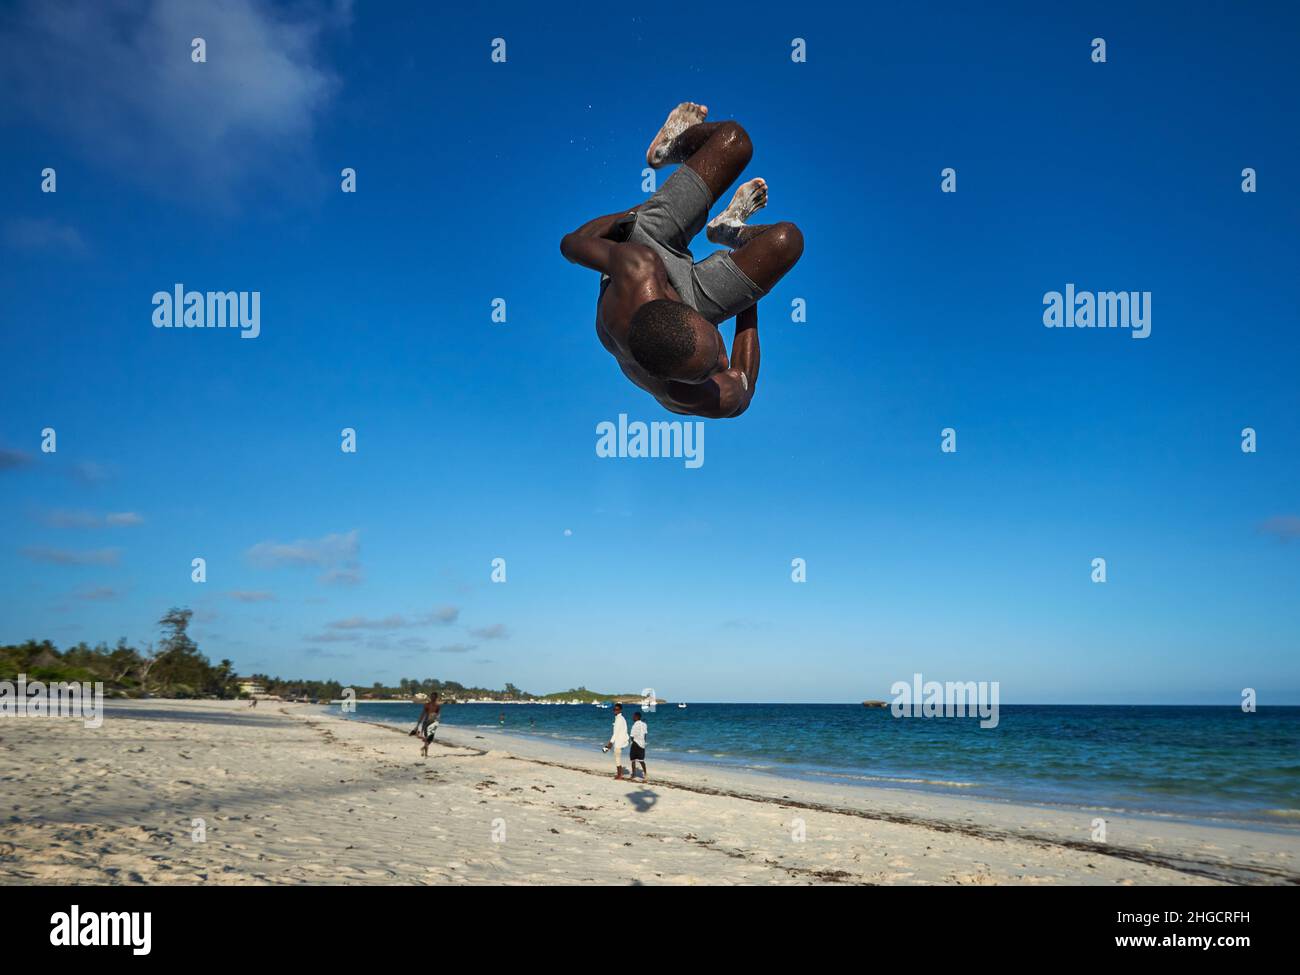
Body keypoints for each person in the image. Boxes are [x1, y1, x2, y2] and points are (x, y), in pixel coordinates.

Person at [561, 102, 804, 419]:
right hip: (692, 300)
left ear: (682, 313)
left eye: (717, 348)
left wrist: (632, 218)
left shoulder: (636, 268)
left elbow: (572, 244)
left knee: (735, 140)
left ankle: (670, 146)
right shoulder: (682, 394)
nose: (723, 361)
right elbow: (744, 387)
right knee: (788, 241)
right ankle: (729, 230)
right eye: (713, 364)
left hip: (649, 240)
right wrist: (749, 295)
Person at [408, 692, 441, 758]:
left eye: (434, 697)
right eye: (432, 697)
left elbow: (438, 715)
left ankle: (423, 748)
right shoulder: (427, 705)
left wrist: (437, 723)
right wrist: (418, 724)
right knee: (426, 738)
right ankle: (426, 754)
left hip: (433, 723)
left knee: (431, 739)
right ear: (430, 697)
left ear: (436, 698)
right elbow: (422, 714)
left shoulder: (438, 706)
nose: (433, 698)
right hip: (426, 722)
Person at [603, 702, 630, 780]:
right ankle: (619, 774)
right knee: (617, 758)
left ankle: (619, 775)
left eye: (617, 709)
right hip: (620, 741)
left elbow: (615, 733)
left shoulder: (619, 719)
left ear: (620, 710)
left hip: (619, 742)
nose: (615, 711)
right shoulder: (621, 718)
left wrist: (610, 743)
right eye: (614, 709)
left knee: (617, 758)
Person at [629, 711, 649, 783]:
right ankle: (645, 774)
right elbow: (645, 735)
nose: (633, 717)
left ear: (637, 717)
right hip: (642, 744)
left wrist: (633, 743)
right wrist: (643, 742)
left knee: (633, 760)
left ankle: (633, 774)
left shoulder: (634, 725)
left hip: (635, 744)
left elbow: (631, 736)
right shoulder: (644, 724)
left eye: (634, 716)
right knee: (641, 760)